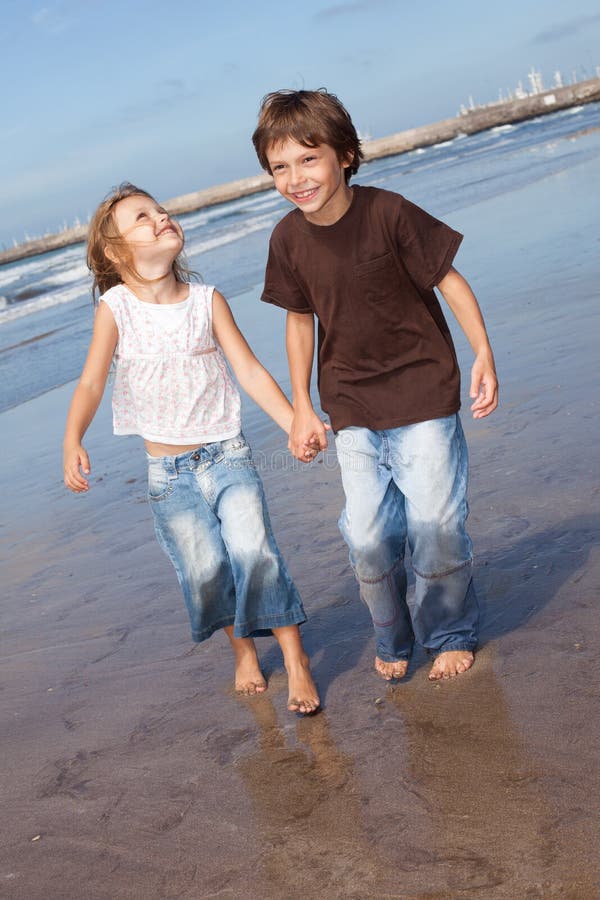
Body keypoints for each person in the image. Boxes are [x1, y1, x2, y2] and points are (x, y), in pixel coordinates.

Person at [252, 89, 498, 682]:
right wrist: (301, 406)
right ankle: (393, 633)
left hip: (422, 391)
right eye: (279, 167)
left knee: (435, 526)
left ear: (344, 155)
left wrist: (483, 352)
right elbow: (299, 323)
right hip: (351, 406)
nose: (295, 178)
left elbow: (450, 281)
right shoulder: (287, 239)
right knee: (367, 537)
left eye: (308, 159)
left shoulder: (389, 212)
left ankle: (449, 633)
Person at [63, 182, 320, 714]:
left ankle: (296, 660)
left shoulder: (207, 300)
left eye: (161, 210)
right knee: (205, 571)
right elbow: (90, 381)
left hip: (227, 456)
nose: (161, 217)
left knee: (256, 552)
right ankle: (243, 651)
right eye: (142, 217)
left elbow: (249, 370)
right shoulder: (116, 308)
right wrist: (73, 438)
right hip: (168, 474)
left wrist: (295, 421)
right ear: (115, 252)